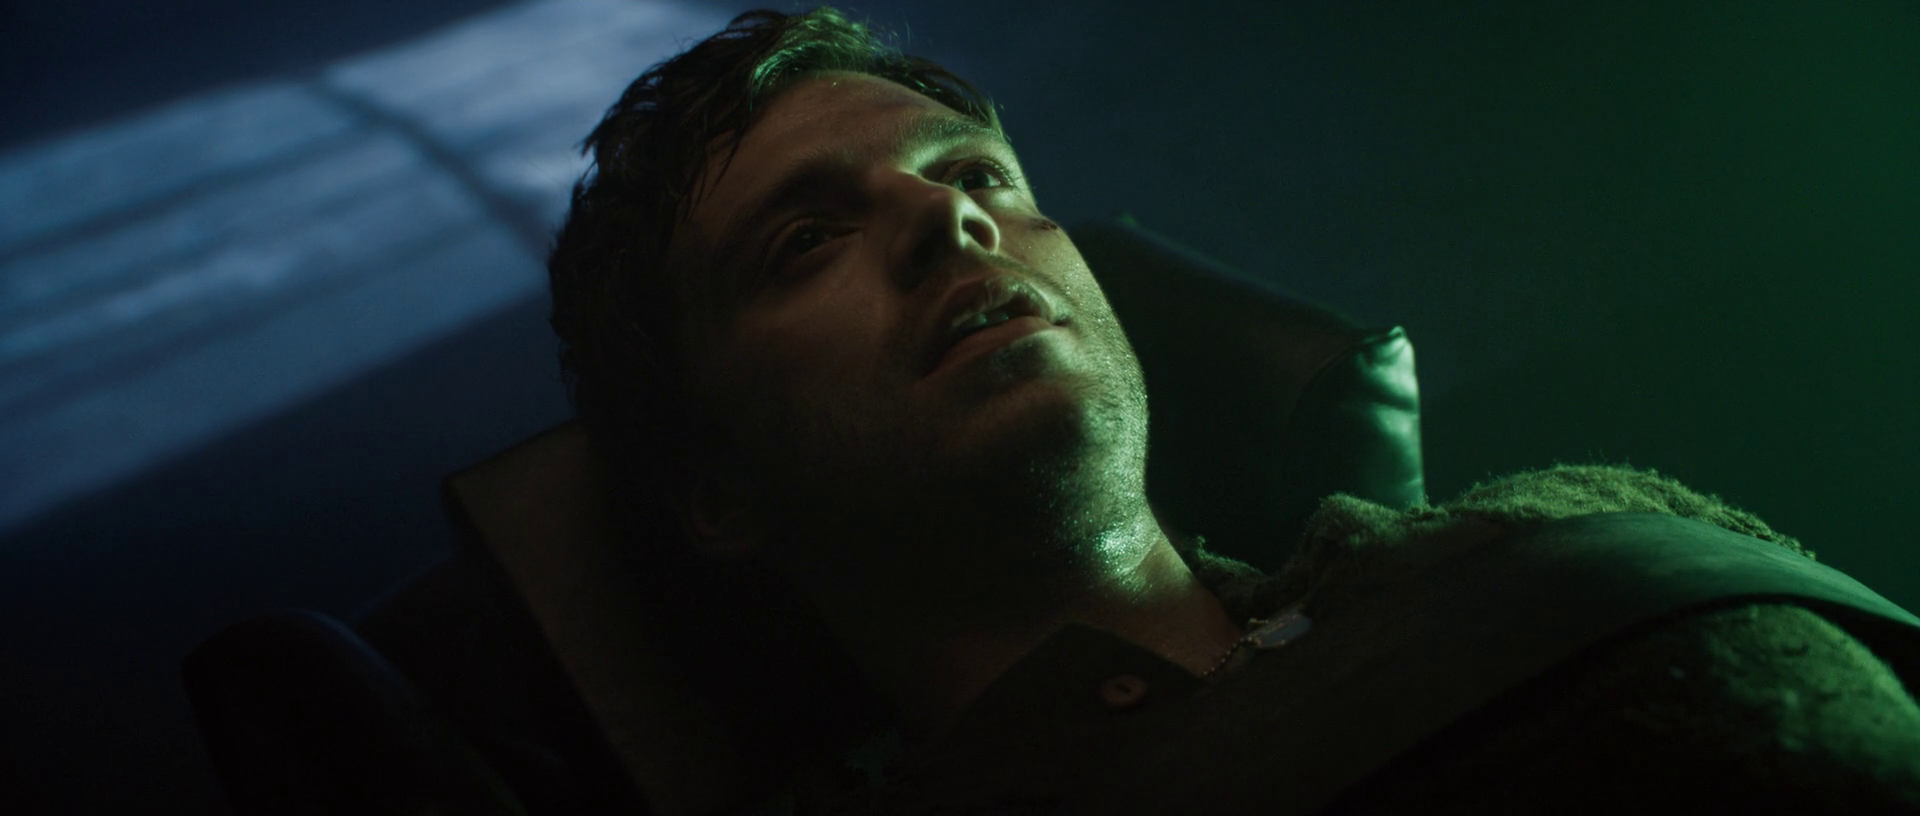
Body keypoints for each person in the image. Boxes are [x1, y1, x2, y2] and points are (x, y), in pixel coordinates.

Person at [545, 7, 1920, 813]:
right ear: (715, 487)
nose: (947, 218)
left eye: (975, 174)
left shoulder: (1570, 522)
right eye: (803, 241)